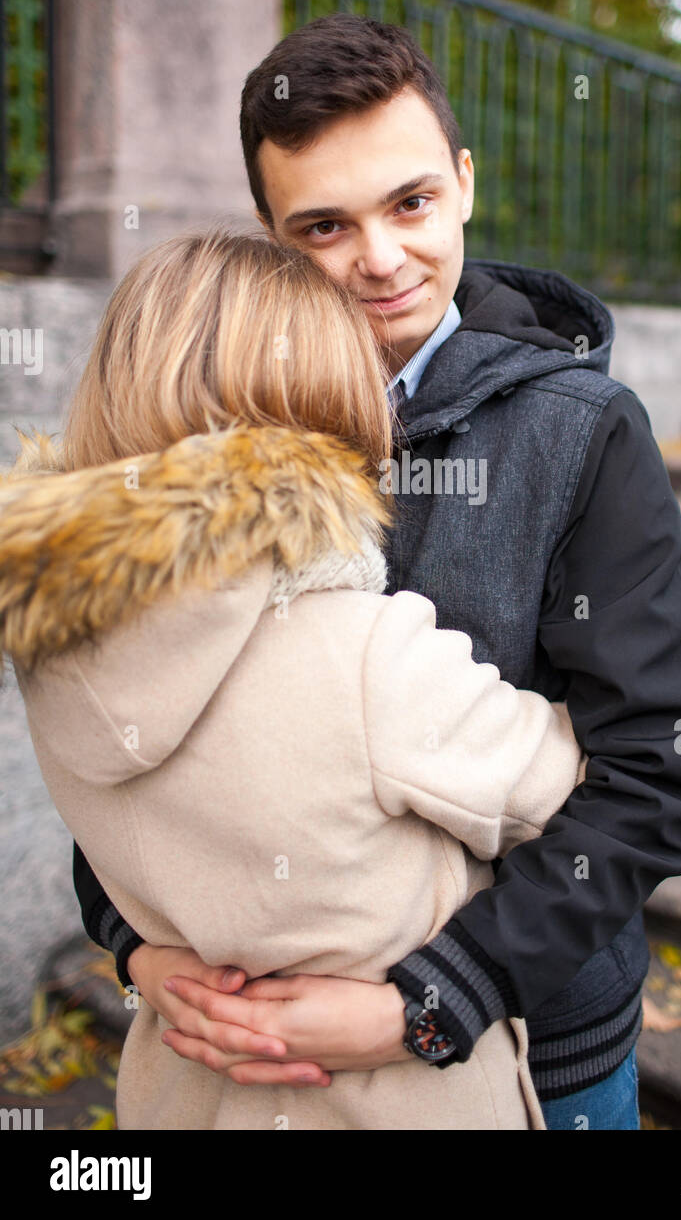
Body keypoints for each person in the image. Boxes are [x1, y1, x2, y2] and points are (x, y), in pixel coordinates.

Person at [70, 14, 681, 1131]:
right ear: (269, 233)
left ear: (463, 182)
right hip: (235, 1054)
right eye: (324, 225)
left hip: (533, 1050)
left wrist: (430, 1000)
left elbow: (666, 779)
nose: (379, 259)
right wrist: (136, 946)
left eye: (410, 203)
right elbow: (130, 715)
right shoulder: (204, 416)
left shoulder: (583, 432)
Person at [0, 230, 587, 1130]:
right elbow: (566, 785)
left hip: (183, 1089)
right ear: (329, 391)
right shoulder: (368, 654)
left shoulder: (51, 652)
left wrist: (135, 957)